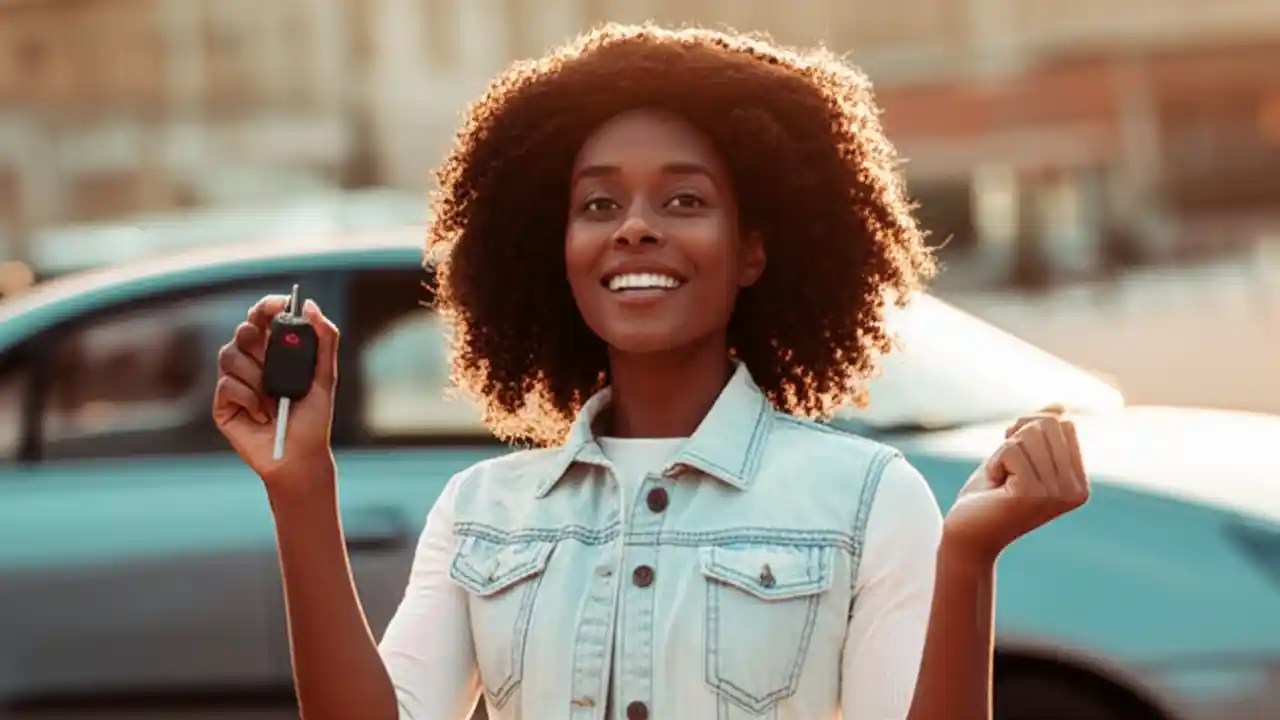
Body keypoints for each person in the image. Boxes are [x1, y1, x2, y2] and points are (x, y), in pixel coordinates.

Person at [213, 23, 1088, 720]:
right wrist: (300, 489)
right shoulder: (482, 513)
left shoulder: (865, 500)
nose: (633, 228)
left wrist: (969, 559)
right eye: (599, 203)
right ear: (553, 251)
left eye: (684, 200)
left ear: (752, 249)